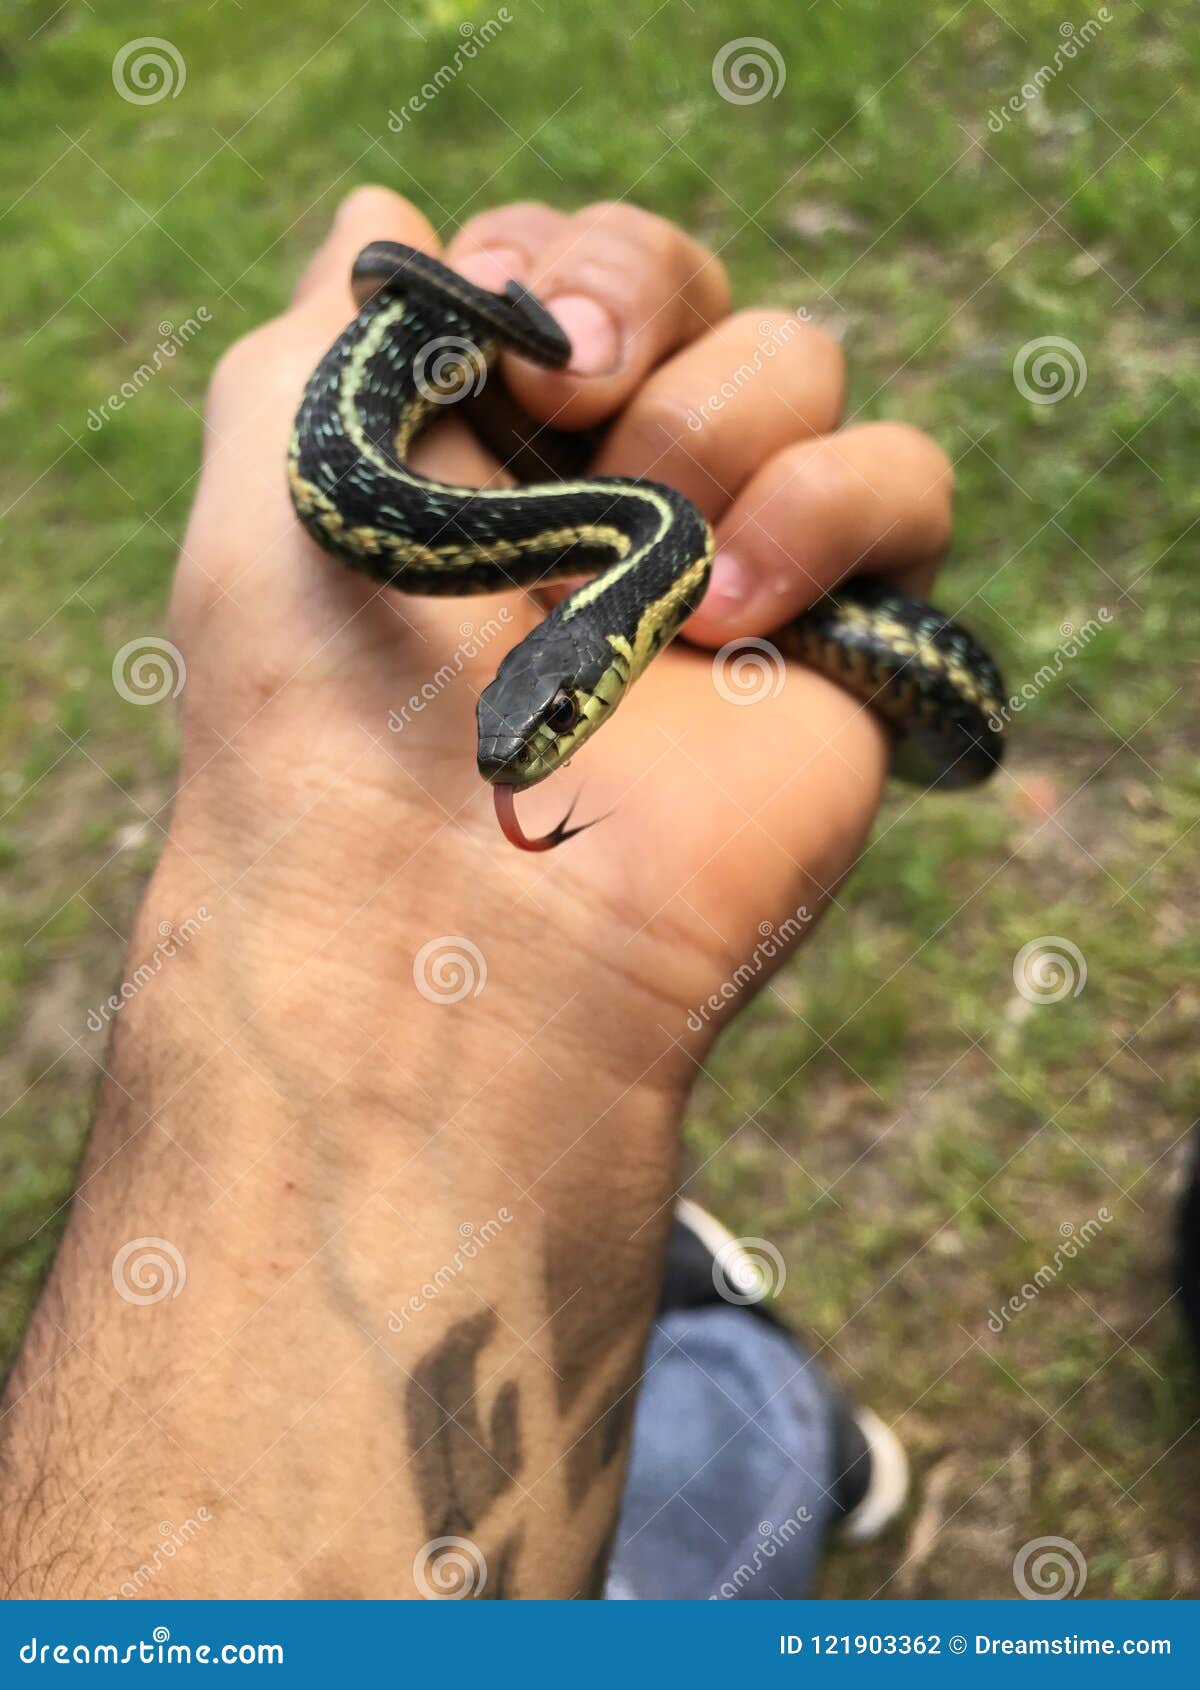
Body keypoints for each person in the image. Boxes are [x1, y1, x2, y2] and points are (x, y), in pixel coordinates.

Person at [0, 190, 954, 1600]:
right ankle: (751, 1382)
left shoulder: (648, 554)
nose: (519, 753)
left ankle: (743, 1376)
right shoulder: (614, 559)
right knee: (731, 1426)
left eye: (551, 724)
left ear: (605, 647)